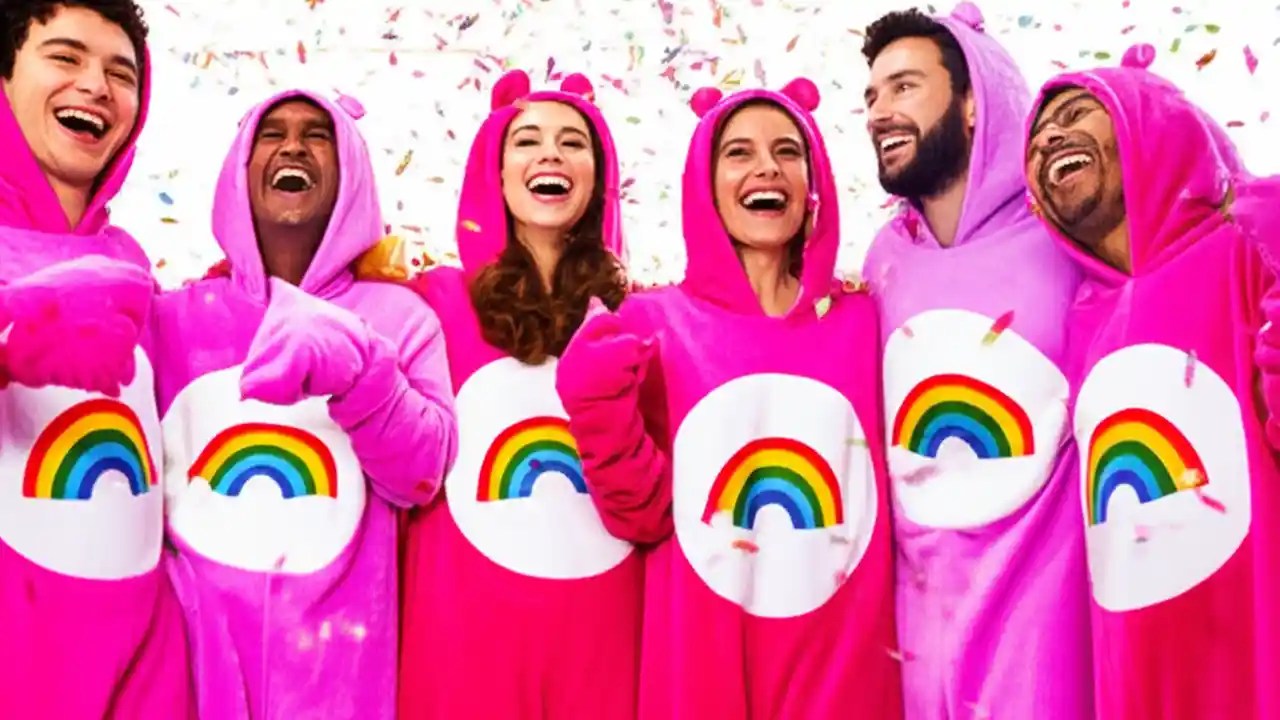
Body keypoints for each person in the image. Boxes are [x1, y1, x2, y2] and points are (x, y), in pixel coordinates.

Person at [556, 79, 901, 719]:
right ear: (703, 183)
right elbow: (639, 515)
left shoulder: (864, 320)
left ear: (814, 178)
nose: (766, 167)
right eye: (738, 152)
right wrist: (594, 407)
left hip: (846, 678)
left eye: (787, 151)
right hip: (701, 671)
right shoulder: (649, 323)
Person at [153, 89, 457, 719]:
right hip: (189, 668)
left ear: (351, 174)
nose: (293, 145)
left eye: (318, 134)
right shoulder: (172, 319)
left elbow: (421, 475)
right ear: (239, 169)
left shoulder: (400, 318)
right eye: (273, 134)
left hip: (341, 674)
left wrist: (365, 370)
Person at [1026, 44, 1280, 719]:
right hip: (1137, 685)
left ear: (1149, 120)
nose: (1050, 136)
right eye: (1038, 137)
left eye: (1078, 113)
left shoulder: (1252, 229)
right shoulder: (1084, 317)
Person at [859, 4, 1090, 717]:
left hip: (1049, 645)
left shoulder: (1068, 238)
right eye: (870, 95)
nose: (878, 112)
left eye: (904, 87)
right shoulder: (881, 260)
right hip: (920, 647)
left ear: (971, 103)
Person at [398, 70, 641, 719]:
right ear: (494, 171)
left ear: (598, 175)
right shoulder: (433, 304)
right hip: (462, 646)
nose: (551, 155)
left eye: (574, 141)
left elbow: (651, 500)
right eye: (526, 140)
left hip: (603, 641)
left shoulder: (640, 319)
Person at [0, 1, 192, 717]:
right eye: (65, 56)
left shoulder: (130, 260)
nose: (97, 86)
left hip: (144, 667)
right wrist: (11, 341)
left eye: (121, 72)